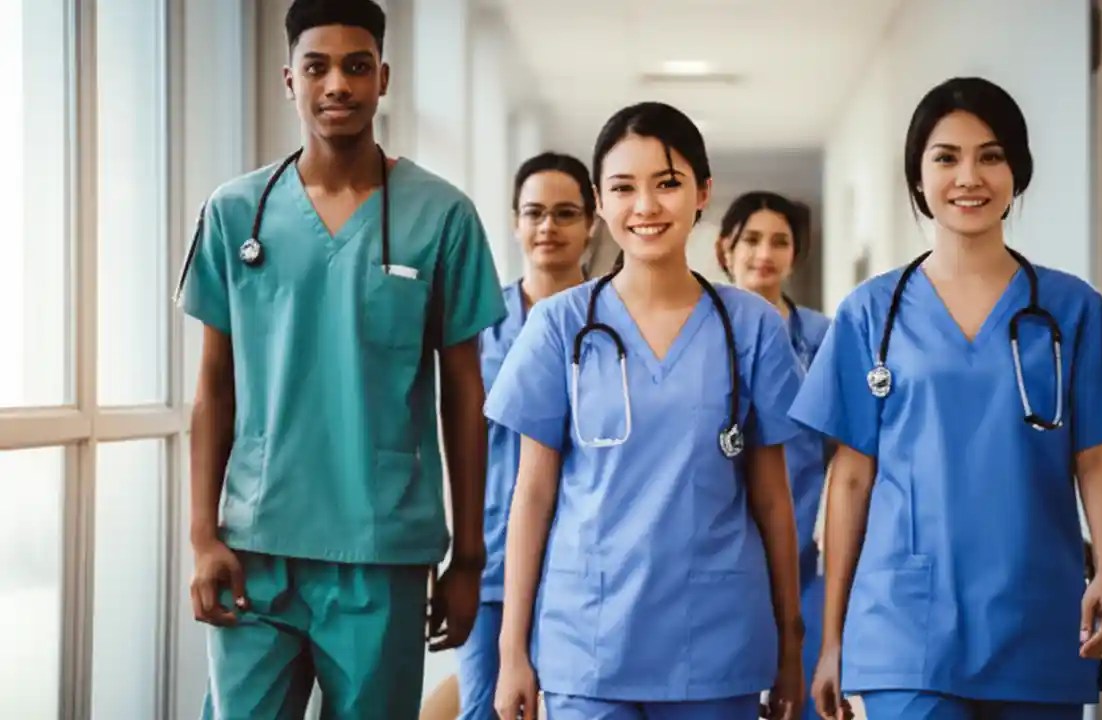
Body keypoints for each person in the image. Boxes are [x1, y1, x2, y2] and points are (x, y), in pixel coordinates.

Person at [176, 1, 506, 717]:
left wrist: (469, 559)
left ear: (383, 78)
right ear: (288, 79)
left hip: (380, 552)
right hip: (255, 546)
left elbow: (463, 394)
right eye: (318, 67)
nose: (338, 86)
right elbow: (214, 387)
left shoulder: (441, 216)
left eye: (357, 67)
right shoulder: (238, 212)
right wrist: (203, 534)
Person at [792, 76, 1102, 720]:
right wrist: (833, 638)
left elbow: (1096, 455)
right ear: (919, 176)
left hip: (1035, 612)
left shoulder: (1071, 309)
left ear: (1017, 170)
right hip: (904, 624)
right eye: (946, 157)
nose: (970, 176)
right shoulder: (870, 313)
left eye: (991, 155)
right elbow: (850, 479)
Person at [486, 101, 807, 720]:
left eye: (667, 184)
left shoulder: (752, 327)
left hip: (715, 644)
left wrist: (791, 644)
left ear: (702, 192)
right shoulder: (561, 325)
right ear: (599, 204)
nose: (646, 207)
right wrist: (512, 651)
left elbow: (773, 499)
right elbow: (532, 496)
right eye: (623, 188)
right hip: (587, 642)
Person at [456, 152, 596, 719]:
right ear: (514, 222)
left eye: (566, 214)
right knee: (483, 709)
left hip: (587, 558)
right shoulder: (480, 325)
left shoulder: (618, 319)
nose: (548, 227)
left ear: (592, 223)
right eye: (534, 213)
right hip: (494, 558)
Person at [717, 191, 831, 720]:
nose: (765, 253)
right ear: (725, 248)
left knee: (800, 698)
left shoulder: (824, 339)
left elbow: (851, 453)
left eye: (780, 241)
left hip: (805, 556)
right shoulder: (703, 330)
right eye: (752, 239)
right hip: (722, 554)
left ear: (796, 253)